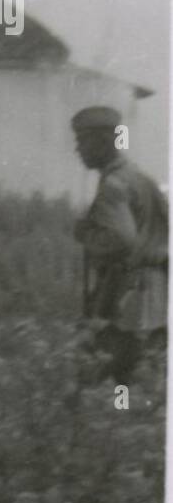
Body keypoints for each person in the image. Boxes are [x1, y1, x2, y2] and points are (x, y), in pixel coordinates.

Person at [71, 106, 168, 384]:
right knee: (141, 372)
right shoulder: (140, 177)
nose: (78, 150)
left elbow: (121, 241)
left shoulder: (113, 184)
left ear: (102, 142)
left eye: (82, 142)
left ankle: (97, 421)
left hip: (127, 297)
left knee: (99, 371)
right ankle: (123, 416)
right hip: (156, 296)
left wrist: (85, 234)